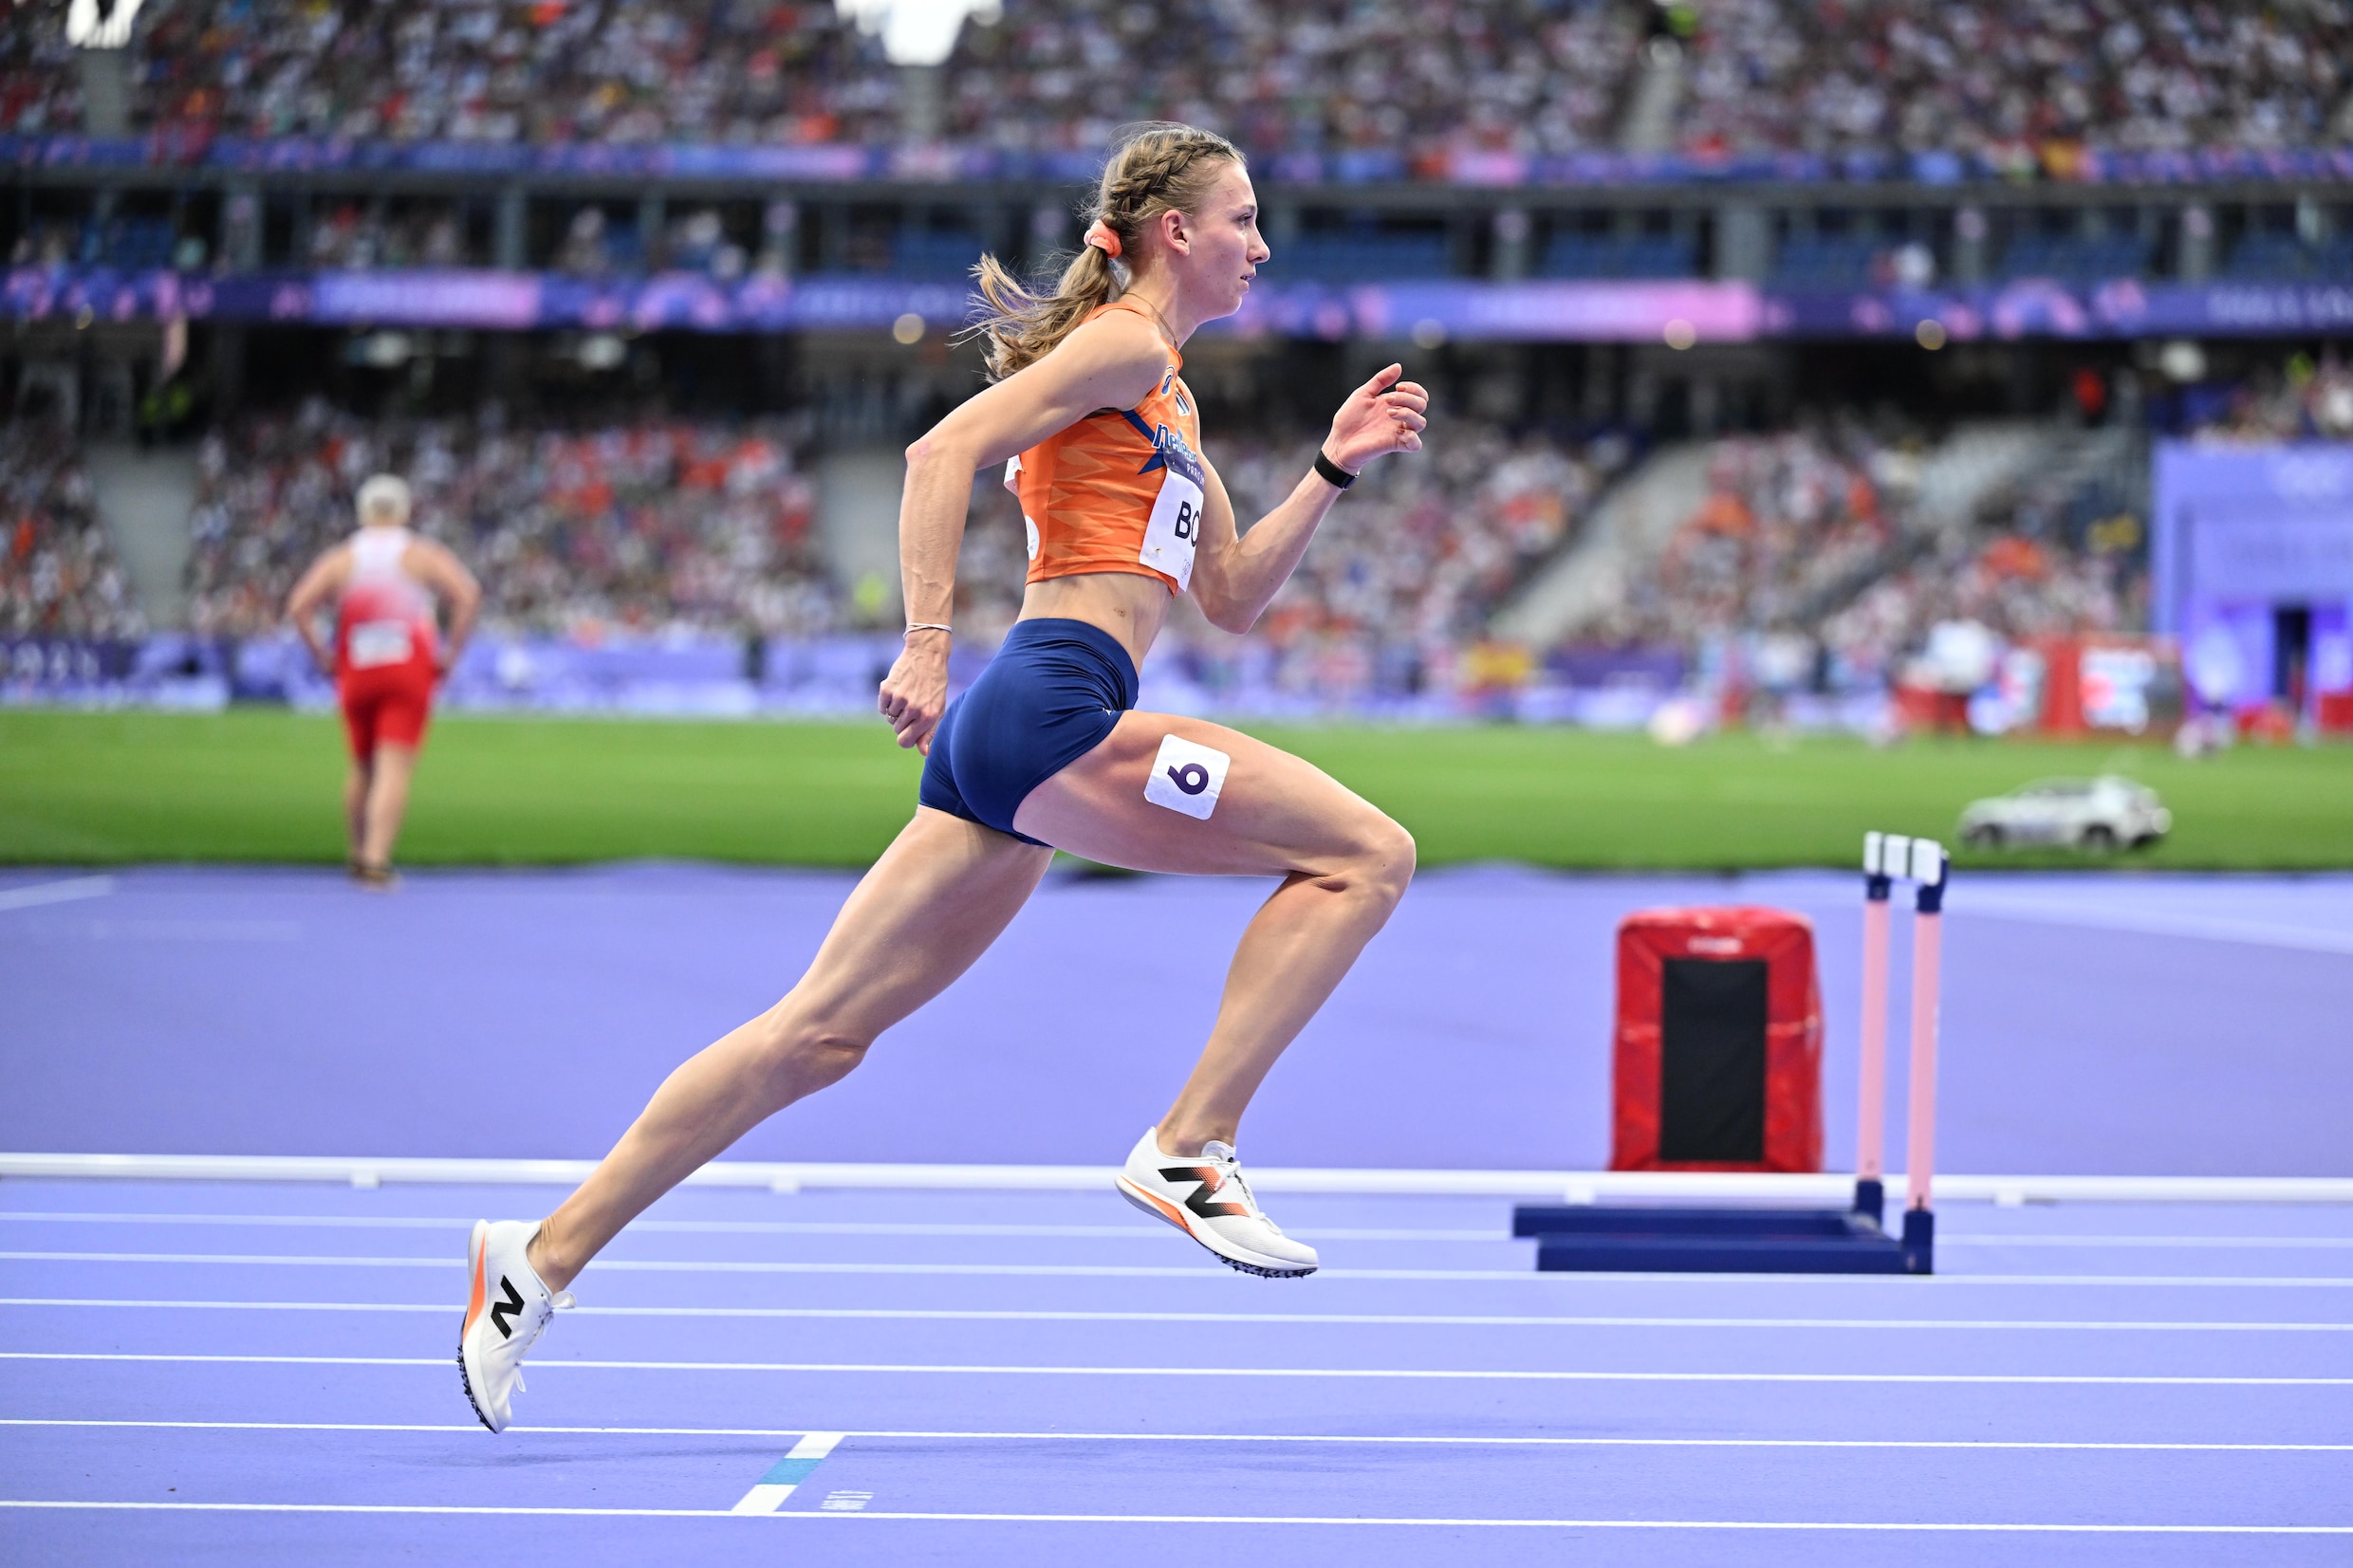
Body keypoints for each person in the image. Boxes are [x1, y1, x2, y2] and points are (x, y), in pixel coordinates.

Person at [457, 122, 1428, 1433]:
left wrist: (1330, 467)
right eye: (1243, 218)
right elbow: (935, 453)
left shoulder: (1170, 397)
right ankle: (1192, 1144)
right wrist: (924, 639)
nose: (1262, 245)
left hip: (1020, 739)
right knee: (1367, 856)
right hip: (1052, 711)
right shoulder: (1127, 346)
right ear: (1174, 232)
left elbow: (1236, 593)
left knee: (815, 1036)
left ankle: (536, 1260)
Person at [286, 473, 480, 888]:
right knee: (393, 766)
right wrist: (451, 653)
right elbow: (467, 595)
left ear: (362, 511)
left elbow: (299, 605)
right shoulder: (420, 554)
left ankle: (358, 854)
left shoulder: (342, 558)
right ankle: (376, 859)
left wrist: (322, 655)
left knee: (362, 766)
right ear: (404, 510)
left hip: (356, 667)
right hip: (407, 666)